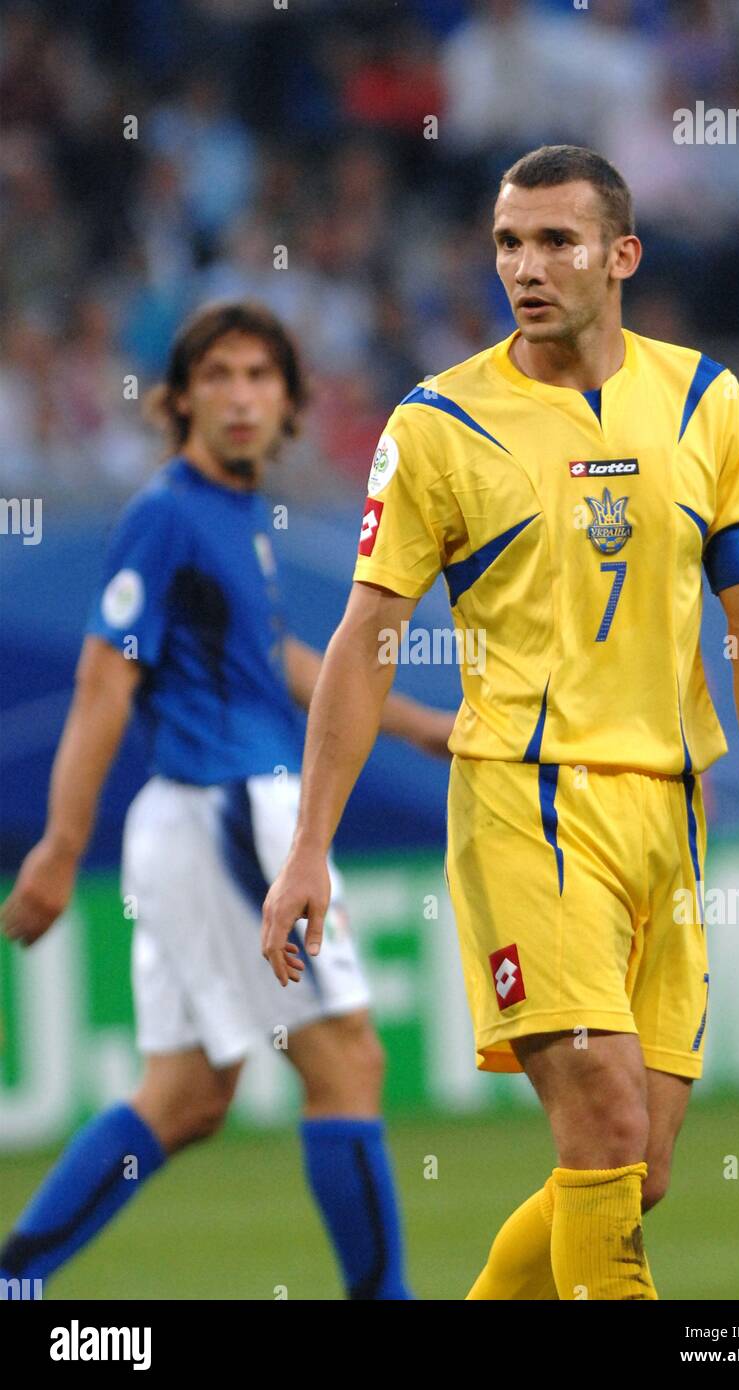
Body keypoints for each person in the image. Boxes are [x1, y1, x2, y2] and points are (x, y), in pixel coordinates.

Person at [260, 146, 739, 1301]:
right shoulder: (438, 423)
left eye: (556, 241)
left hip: (667, 808)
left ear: (622, 256)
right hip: (524, 797)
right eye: (508, 242)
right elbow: (363, 641)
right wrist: (309, 843)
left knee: (636, 1167)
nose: (525, 265)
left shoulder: (704, 398)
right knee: (603, 1121)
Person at [0, 300, 453, 1300]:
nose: (241, 397)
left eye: (260, 377)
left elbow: (272, 658)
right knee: (347, 1060)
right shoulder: (165, 514)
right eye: (220, 376)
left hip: (203, 815)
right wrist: (62, 845)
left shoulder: (240, 514)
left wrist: (422, 724)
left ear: (290, 401)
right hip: (228, 811)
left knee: (188, 1093)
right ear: (180, 398)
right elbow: (102, 679)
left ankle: (16, 1276)